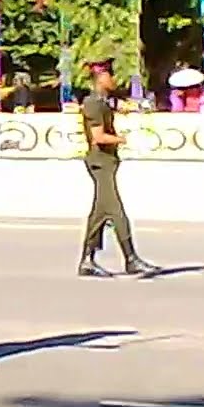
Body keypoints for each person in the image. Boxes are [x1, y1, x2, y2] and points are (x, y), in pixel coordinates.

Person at [78, 58, 161, 278]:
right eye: (110, 75)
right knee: (115, 211)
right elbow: (98, 137)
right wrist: (123, 139)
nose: (114, 79)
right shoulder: (93, 104)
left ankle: (87, 260)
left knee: (99, 214)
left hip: (107, 162)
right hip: (100, 163)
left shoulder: (102, 102)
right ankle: (131, 259)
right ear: (100, 78)